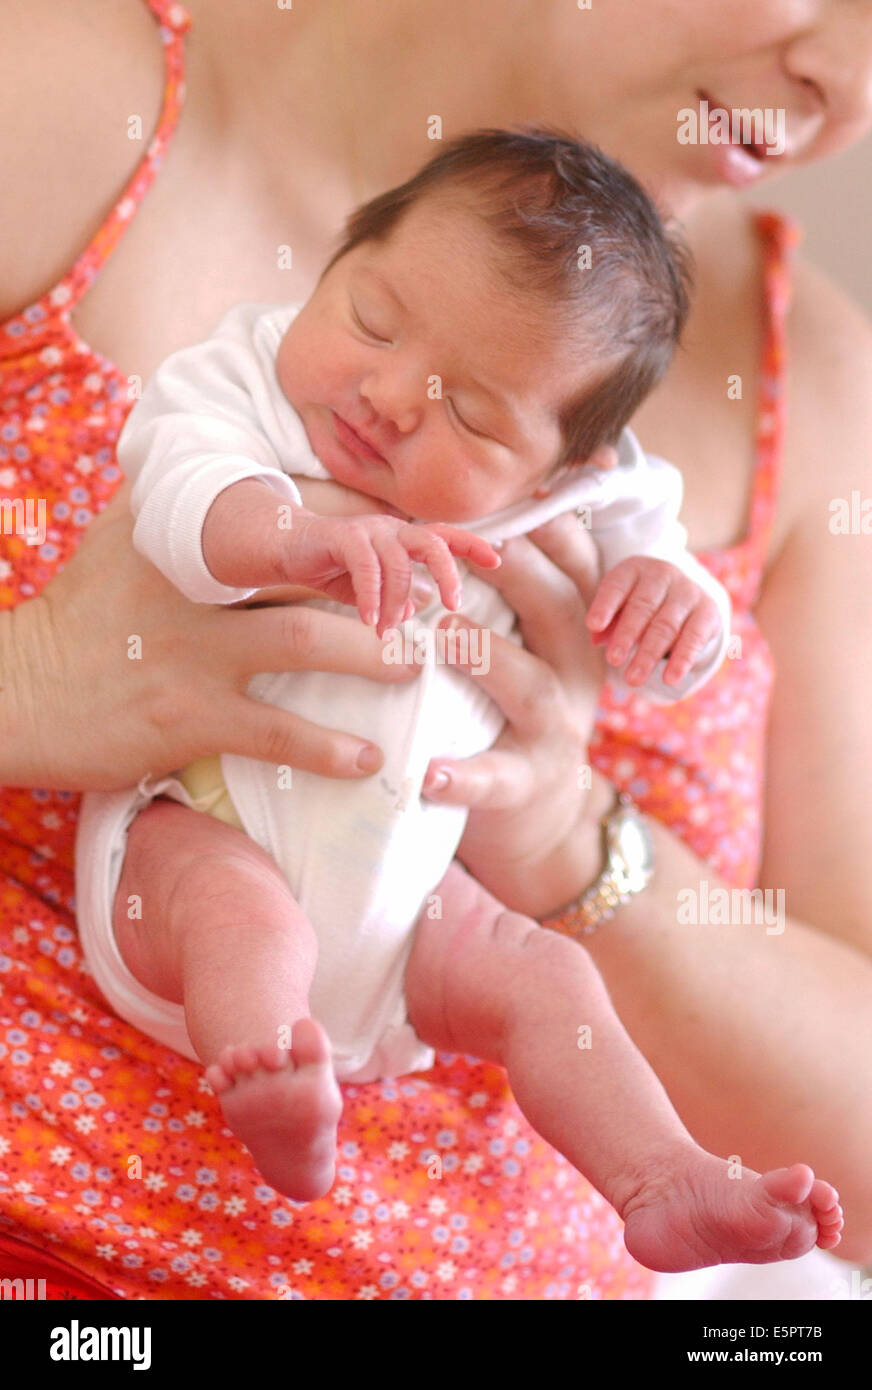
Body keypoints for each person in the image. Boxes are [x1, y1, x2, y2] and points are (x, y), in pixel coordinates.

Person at [1, 0, 870, 1300]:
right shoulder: (63, 101)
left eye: (475, 410)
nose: (844, 83)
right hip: (69, 1250)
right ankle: (271, 1053)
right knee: (220, 901)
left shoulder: (806, 391)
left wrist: (576, 839)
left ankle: (661, 1178)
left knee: (538, 982)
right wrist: (42, 678)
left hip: (423, 934)